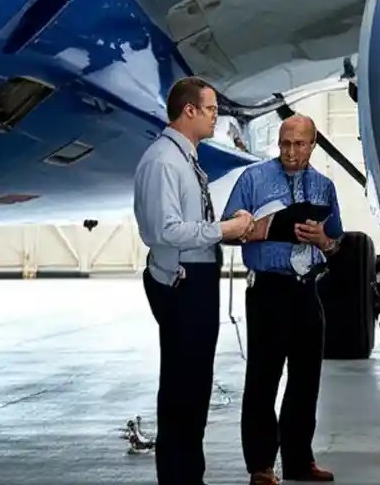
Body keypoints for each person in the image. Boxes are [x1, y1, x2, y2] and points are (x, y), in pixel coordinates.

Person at [134, 76, 255, 485]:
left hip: (198, 281)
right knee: (182, 388)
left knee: (196, 385)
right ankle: (177, 476)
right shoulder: (164, 161)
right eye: (211, 111)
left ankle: (189, 474)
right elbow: (165, 231)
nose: (216, 119)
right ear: (189, 111)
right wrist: (224, 229)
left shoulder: (185, 157)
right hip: (182, 284)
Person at [222, 114, 344, 485]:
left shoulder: (324, 187)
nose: (291, 152)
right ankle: (260, 465)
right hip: (268, 292)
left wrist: (322, 241)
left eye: (299, 144)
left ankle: (298, 461)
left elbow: (336, 242)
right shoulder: (253, 179)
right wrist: (261, 230)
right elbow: (225, 231)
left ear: (312, 145)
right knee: (262, 379)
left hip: (307, 290)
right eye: (285, 144)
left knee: (306, 381)